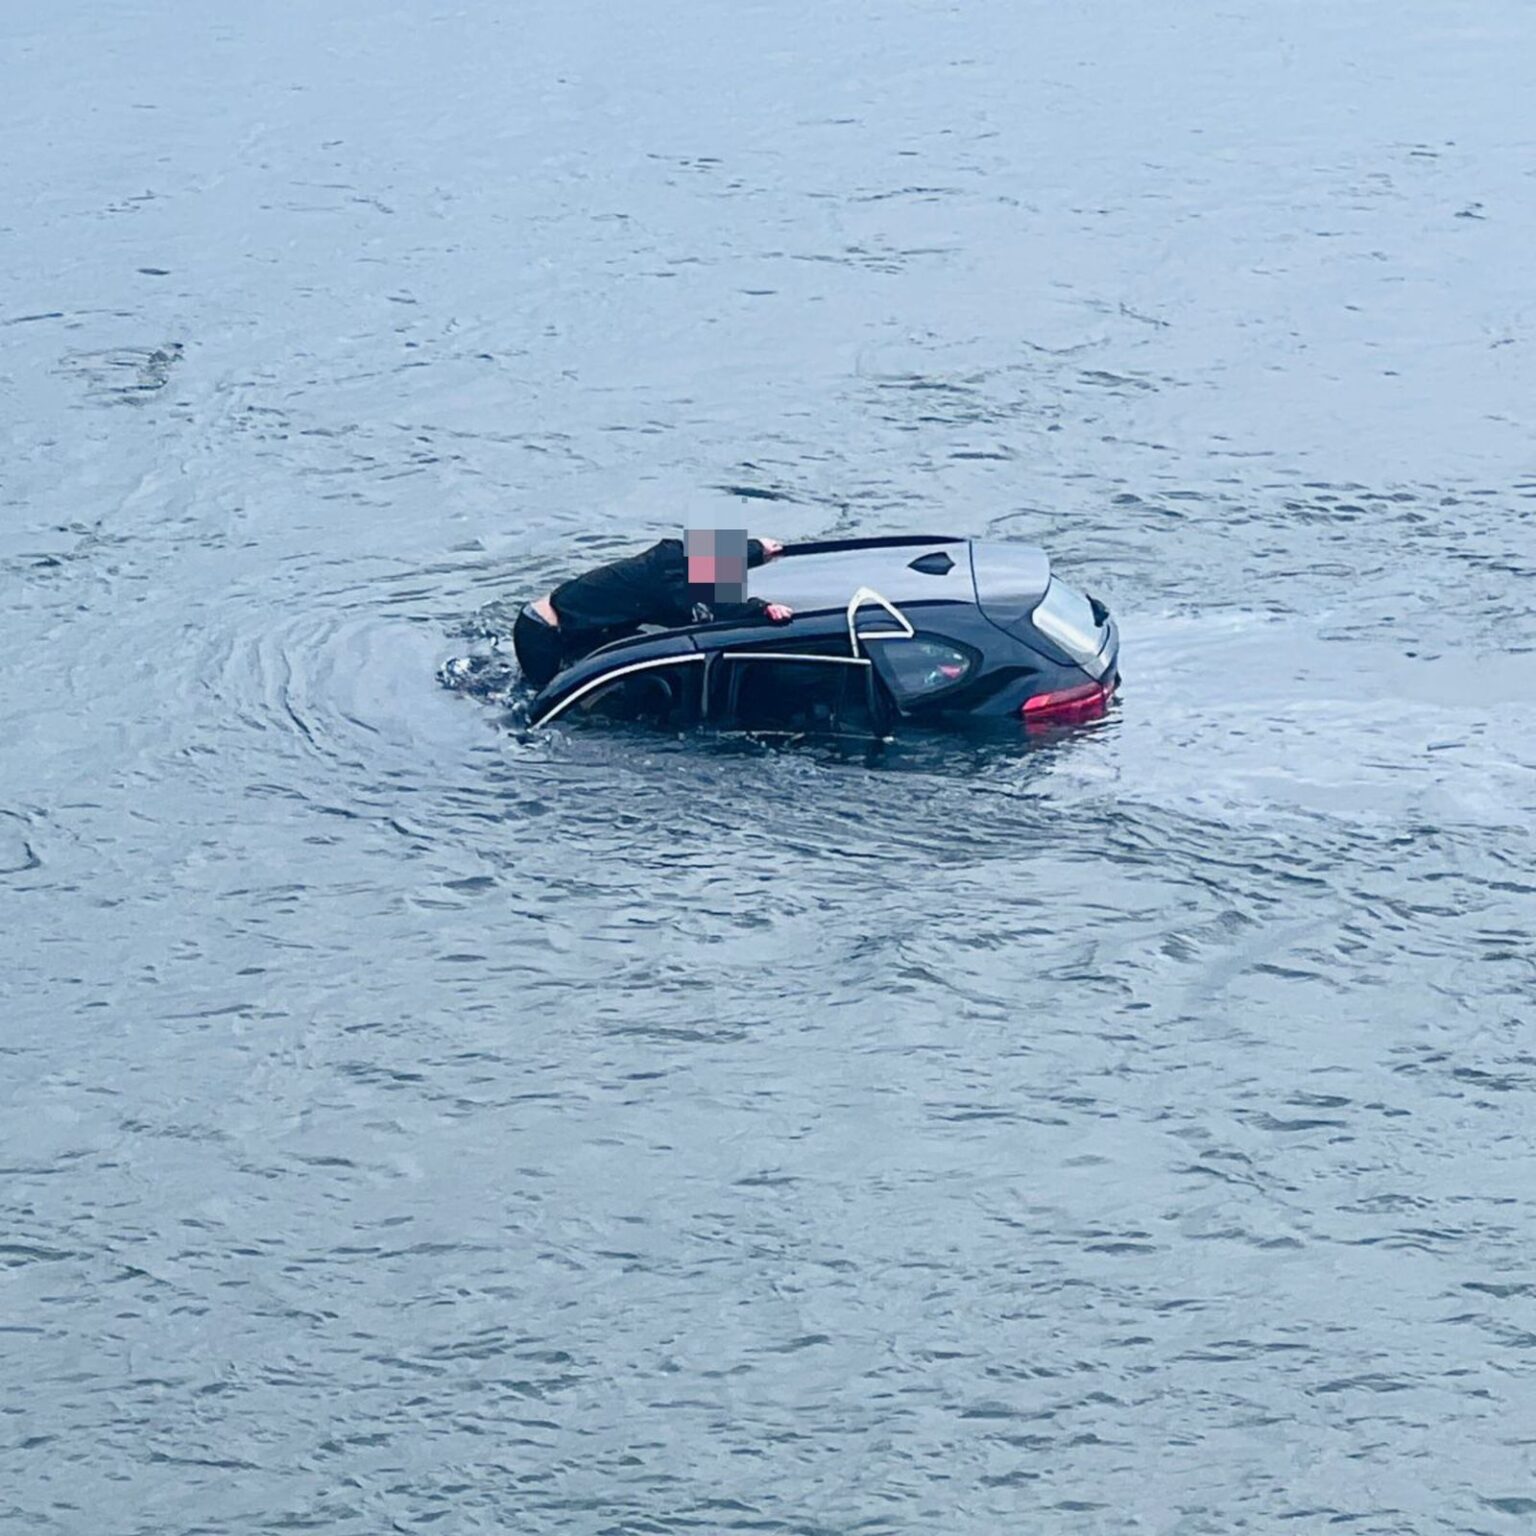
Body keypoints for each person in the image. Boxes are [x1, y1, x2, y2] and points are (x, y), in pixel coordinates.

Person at [512, 529, 793, 689]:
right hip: (543, 631)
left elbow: (712, 598)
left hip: (578, 627)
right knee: (546, 699)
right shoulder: (667, 573)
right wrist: (762, 606)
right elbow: (714, 607)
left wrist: (757, 552)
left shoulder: (673, 569)